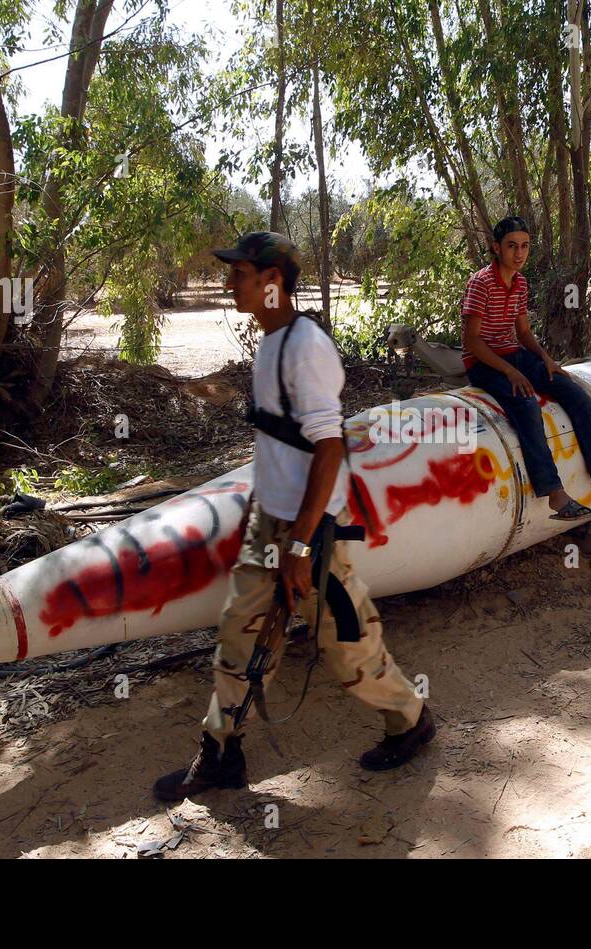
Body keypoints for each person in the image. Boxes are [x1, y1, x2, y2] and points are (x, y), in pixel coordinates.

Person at [153, 232, 433, 801]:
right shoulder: (269, 343)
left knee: (347, 647)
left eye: (241, 273)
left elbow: (329, 448)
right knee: (240, 635)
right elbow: (282, 446)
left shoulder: (305, 345)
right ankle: (222, 753)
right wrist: (263, 513)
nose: (232, 282)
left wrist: (302, 545)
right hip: (272, 525)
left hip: (314, 532)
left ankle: (411, 720)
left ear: (272, 280)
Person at [462, 216, 591, 520]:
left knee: (574, 392)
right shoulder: (480, 283)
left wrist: (546, 358)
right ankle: (554, 493)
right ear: (496, 248)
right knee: (526, 404)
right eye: (511, 246)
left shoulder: (519, 282)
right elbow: (471, 341)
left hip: (514, 354)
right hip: (484, 363)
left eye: (524, 246)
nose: (519, 253)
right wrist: (509, 372)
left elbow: (522, 333)